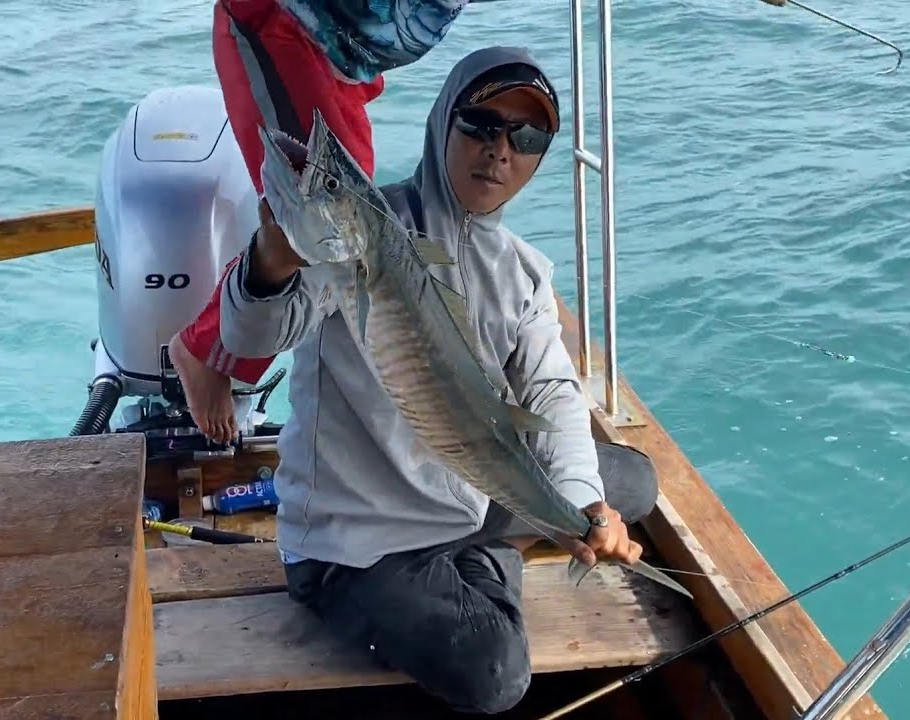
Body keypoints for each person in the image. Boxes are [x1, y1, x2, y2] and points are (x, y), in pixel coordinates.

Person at [216, 46, 661, 715]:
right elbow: (250, 337)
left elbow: (552, 396)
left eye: (527, 135)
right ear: (442, 125)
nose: (499, 150)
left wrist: (584, 505)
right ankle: (491, 556)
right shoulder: (359, 240)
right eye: (481, 123)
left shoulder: (524, 272)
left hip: (465, 492)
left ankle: (499, 540)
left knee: (632, 482)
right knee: (496, 676)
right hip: (359, 538)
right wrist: (270, 263)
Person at [169, 0, 495, 444]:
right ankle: (207, 350)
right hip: (286, 25)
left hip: (348, 47)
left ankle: (224, 343)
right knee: (317, 210)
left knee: (349, 195)